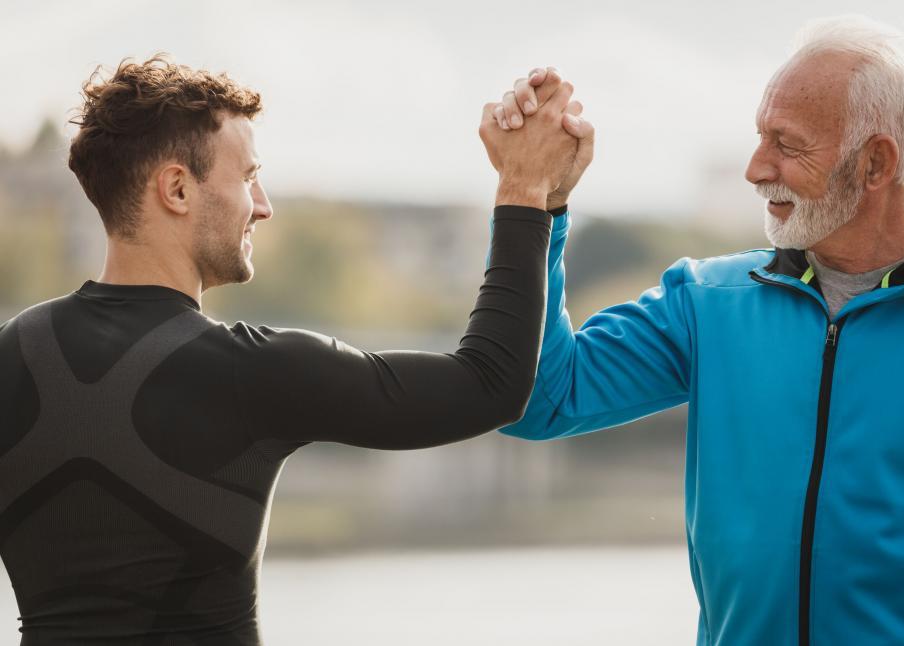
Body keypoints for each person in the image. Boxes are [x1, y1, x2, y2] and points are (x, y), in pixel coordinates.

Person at [0, 55, 591, 644]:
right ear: (177, 189)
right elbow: (491, 384)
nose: (263, 204)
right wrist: (525, 189)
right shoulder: (248, 371)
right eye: (248, 176)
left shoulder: (13, 353)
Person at [494, 15, 904, 646]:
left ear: (877, 162)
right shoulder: (706, 301)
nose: (754, 168)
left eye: (786, 143)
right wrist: (531, 197)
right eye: (758, 137)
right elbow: (534, 401)